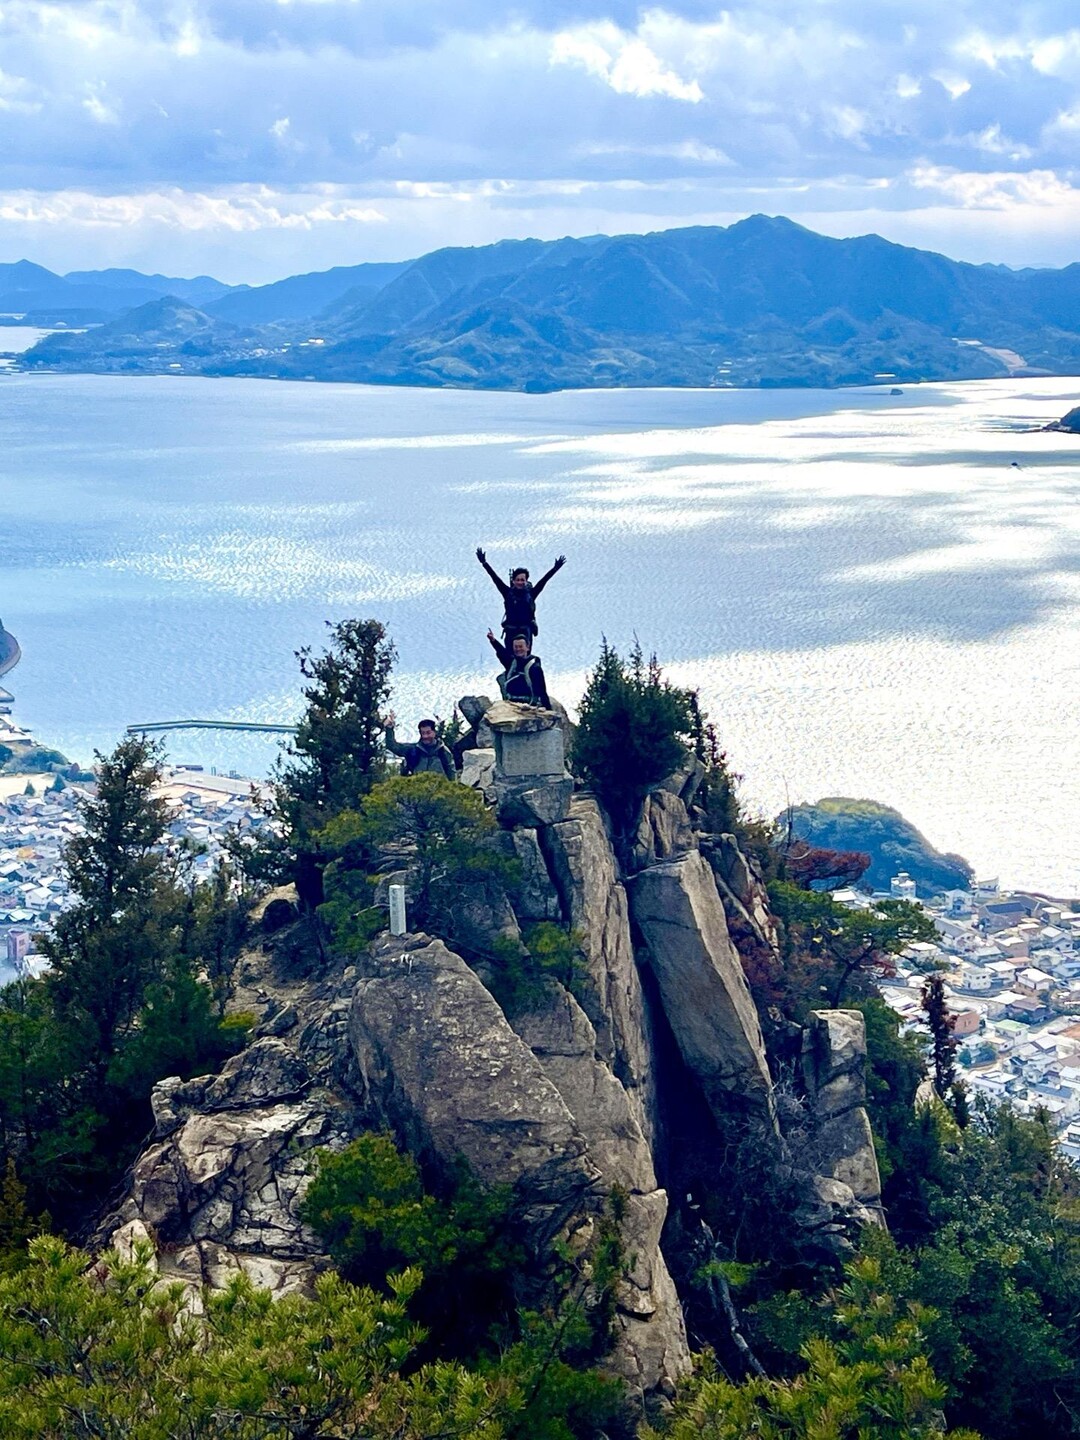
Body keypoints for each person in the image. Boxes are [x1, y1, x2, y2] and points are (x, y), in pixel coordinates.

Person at [475, 547, 565, 643]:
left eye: (522, 580)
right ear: (513, 581)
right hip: (511, 630)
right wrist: (484, 563)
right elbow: (495, 578)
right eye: (517, 580)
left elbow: (544, 580)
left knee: (523, 651)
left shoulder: (531, 594)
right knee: (509, 652)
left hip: (526, 631)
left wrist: (555, 569)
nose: (520, 582)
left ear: (526, 581)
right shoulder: (507, 592)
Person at [487, 630, 550, 709]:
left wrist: (548, 709)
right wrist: (493, 640)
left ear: (527, 647)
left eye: (520, 646)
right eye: (516, 647)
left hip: (529, 705)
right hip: (511, 703)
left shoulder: (534, 667)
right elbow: (501, 652)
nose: (518, 649)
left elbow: (542, 690)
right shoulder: (511, 663)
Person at [384, 715, 456, 780]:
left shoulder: (444, 752)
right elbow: (392, 746)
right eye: (423, 733)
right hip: (416, 788)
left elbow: (452, 775)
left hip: (439, 789)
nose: (425, 736)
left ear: (434, 732)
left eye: (428, 733)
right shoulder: (413, 750)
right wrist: (389, 729)